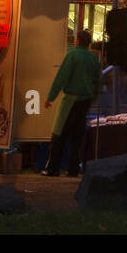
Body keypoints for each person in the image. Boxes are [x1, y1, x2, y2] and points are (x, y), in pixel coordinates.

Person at [42, 28, 100, 177]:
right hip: (85, 101)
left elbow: (62, 77)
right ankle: (73, 169)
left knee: (59, 133)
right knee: (77, 136)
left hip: (70, 100)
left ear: (77, 41)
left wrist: (51, 97)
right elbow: (98, 81)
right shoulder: (93, 59)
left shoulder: (72, 56)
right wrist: (93, 97)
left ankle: (52, 168)